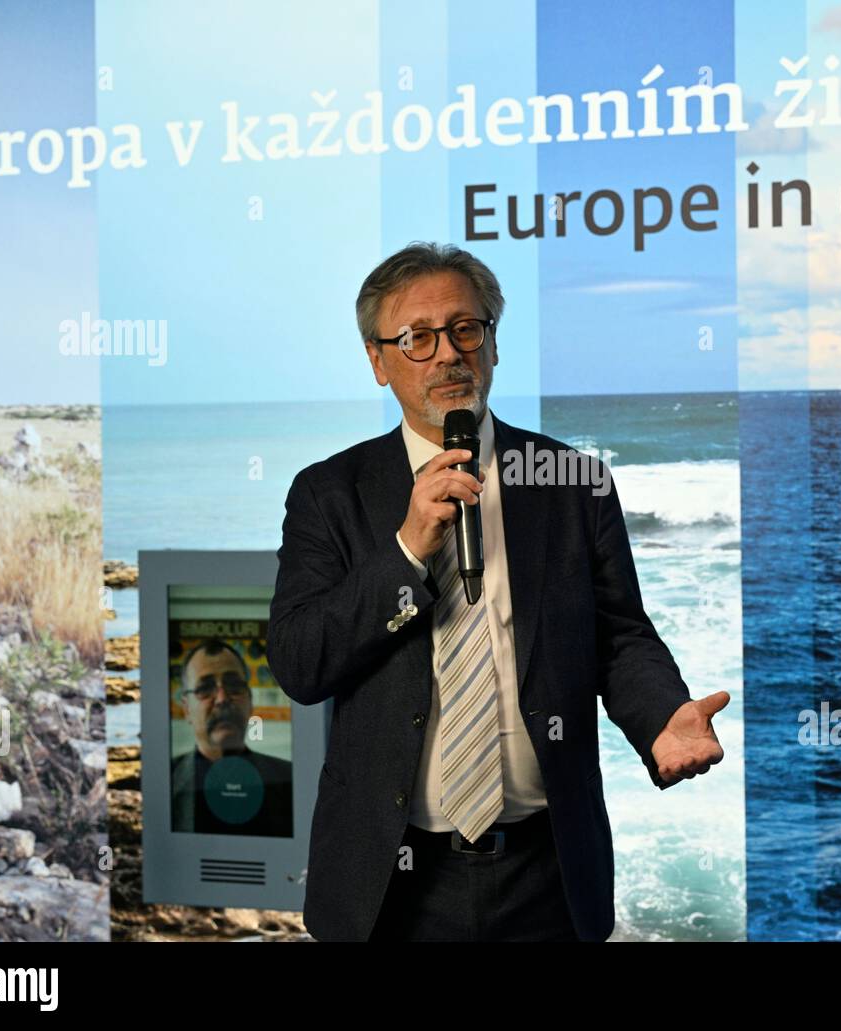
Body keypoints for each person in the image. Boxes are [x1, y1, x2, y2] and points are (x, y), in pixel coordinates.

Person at [266, 241, 728, 941]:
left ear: (493, 342)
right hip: (394, 884)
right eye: (417, 338)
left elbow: (620, 636)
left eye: (465, 328)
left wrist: (660, 716)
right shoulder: (330, 494)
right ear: (377, 360)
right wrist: (405, 551)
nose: (448, 353)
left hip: (546, 872)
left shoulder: (573, 481)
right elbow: (301, 663)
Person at [170, 638, 293, 836]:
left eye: (234, 685)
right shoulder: (164, 782)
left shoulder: (290, 781)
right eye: (205, 688)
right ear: (186, 709)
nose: (222, 699)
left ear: (250, 701)